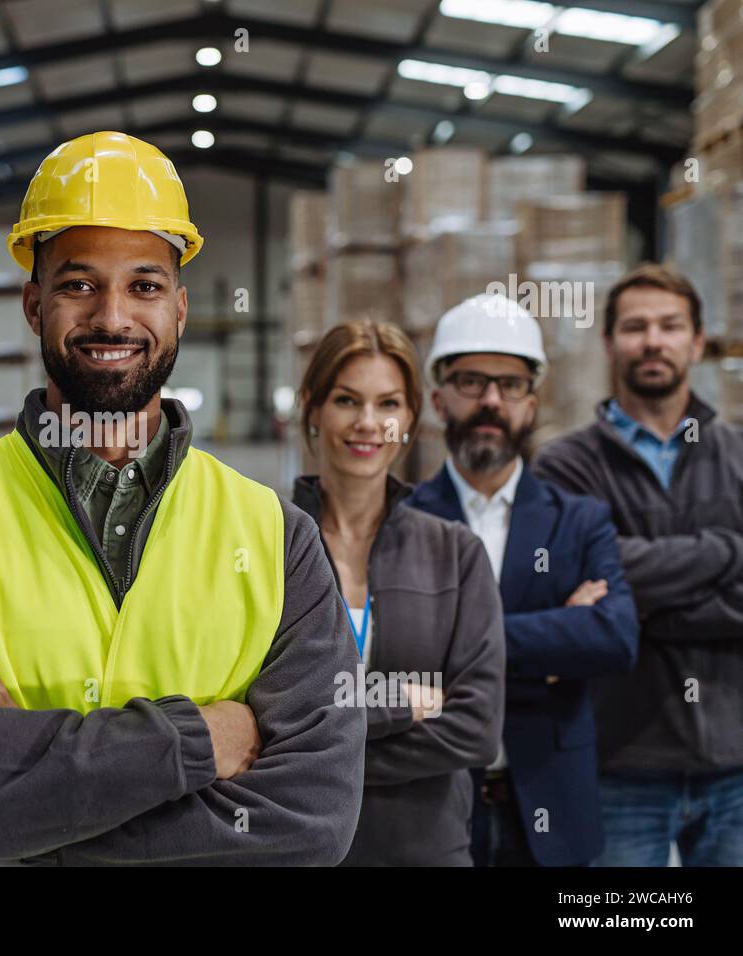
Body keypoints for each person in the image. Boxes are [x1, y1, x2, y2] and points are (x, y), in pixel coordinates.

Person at [0, 130, 365, 866]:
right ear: (35, 305)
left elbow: (313, 819)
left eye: (144, 285)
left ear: (181, 309)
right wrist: (198, 739)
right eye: (78, 284)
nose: (113, 318)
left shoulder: (275, 536)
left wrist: (28, 771)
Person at [407, 294, 639, 867]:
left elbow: (613, 637)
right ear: (438, 399)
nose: (491, 400)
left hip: (550, 808)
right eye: (471, 381)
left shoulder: (579, 520)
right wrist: (555, 636)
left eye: (509, 385)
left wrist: (461, 650)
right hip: (434, 807)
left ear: (532, 404)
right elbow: (390, 654)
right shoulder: (401, 521)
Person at [534, 263, 743, 866]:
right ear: (609, 344)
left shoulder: (735, 456)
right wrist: (729, 551)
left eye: (670, 325)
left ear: (697, 342)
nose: (653, 340)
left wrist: (633, 599)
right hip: (618, 763)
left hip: (735, 764)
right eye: (635, 326)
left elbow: (612, 593)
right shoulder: (566, 466)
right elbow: (575, 597)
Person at [290, 319, 505, 866]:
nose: (368, 423)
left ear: (410, 418)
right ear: (313, 408)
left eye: (387, 404)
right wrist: (397, 705)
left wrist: (315, 752)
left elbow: (476, 729)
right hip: (298, 848)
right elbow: (263, 713)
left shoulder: (455, 554)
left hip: (425, 850)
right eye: (346, 400)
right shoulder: (263, 544)